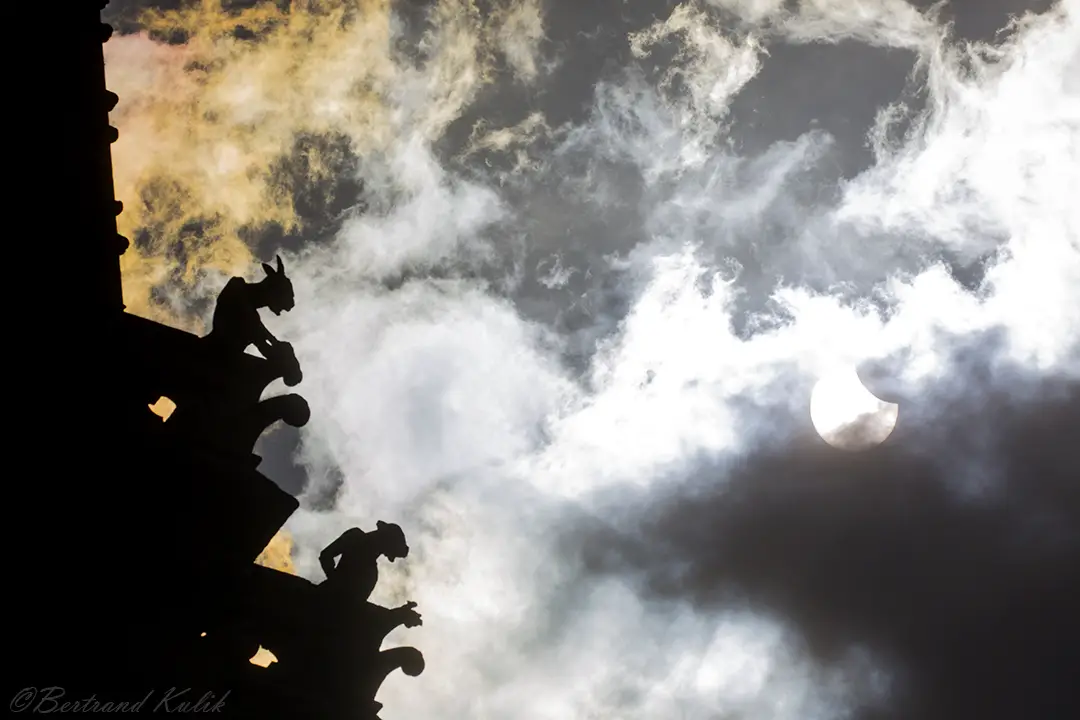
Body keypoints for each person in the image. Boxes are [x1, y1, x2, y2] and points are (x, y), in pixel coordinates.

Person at [319, 521, 410, 602]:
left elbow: (358, 606)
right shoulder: (355, 537)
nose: (391, 559)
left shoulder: (371, 574)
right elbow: (326, 555)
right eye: (389, 553)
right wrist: (335, 580)